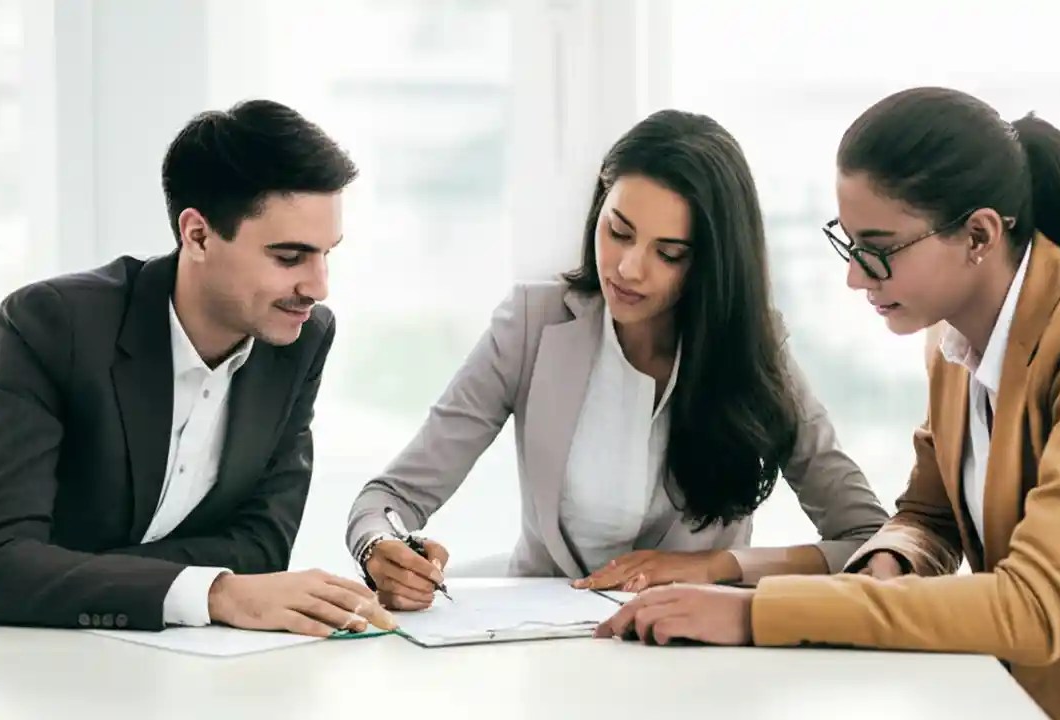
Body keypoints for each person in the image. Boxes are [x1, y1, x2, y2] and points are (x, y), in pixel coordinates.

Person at [594, 88, 1060, 720]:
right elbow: (928, 514)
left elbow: (1036, 606)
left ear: (978, 237)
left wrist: (752, 613)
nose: (855, 275)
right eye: (849, 242)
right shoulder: (954, 343)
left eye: (879, 251)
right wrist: (885, 564)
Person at [346, 109, 888, 611]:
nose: (628, 268)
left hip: (694, 658)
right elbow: (388, 499)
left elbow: (869, 540)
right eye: (618, 231)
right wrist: (382, 546)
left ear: (713, 264)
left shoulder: (754, 347)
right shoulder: (533, 324)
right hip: (541, 647)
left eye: (669, 253)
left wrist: (712, 566)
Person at [0, 99, 396, 637]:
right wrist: (215, 590)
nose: (317, 288)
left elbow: (263, 542)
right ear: (198, 235)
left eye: (327, 254)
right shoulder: (52, 324)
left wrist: (84, 569)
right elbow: (2, 563)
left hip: (187, 666)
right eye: (289, 257)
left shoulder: (302, 339)